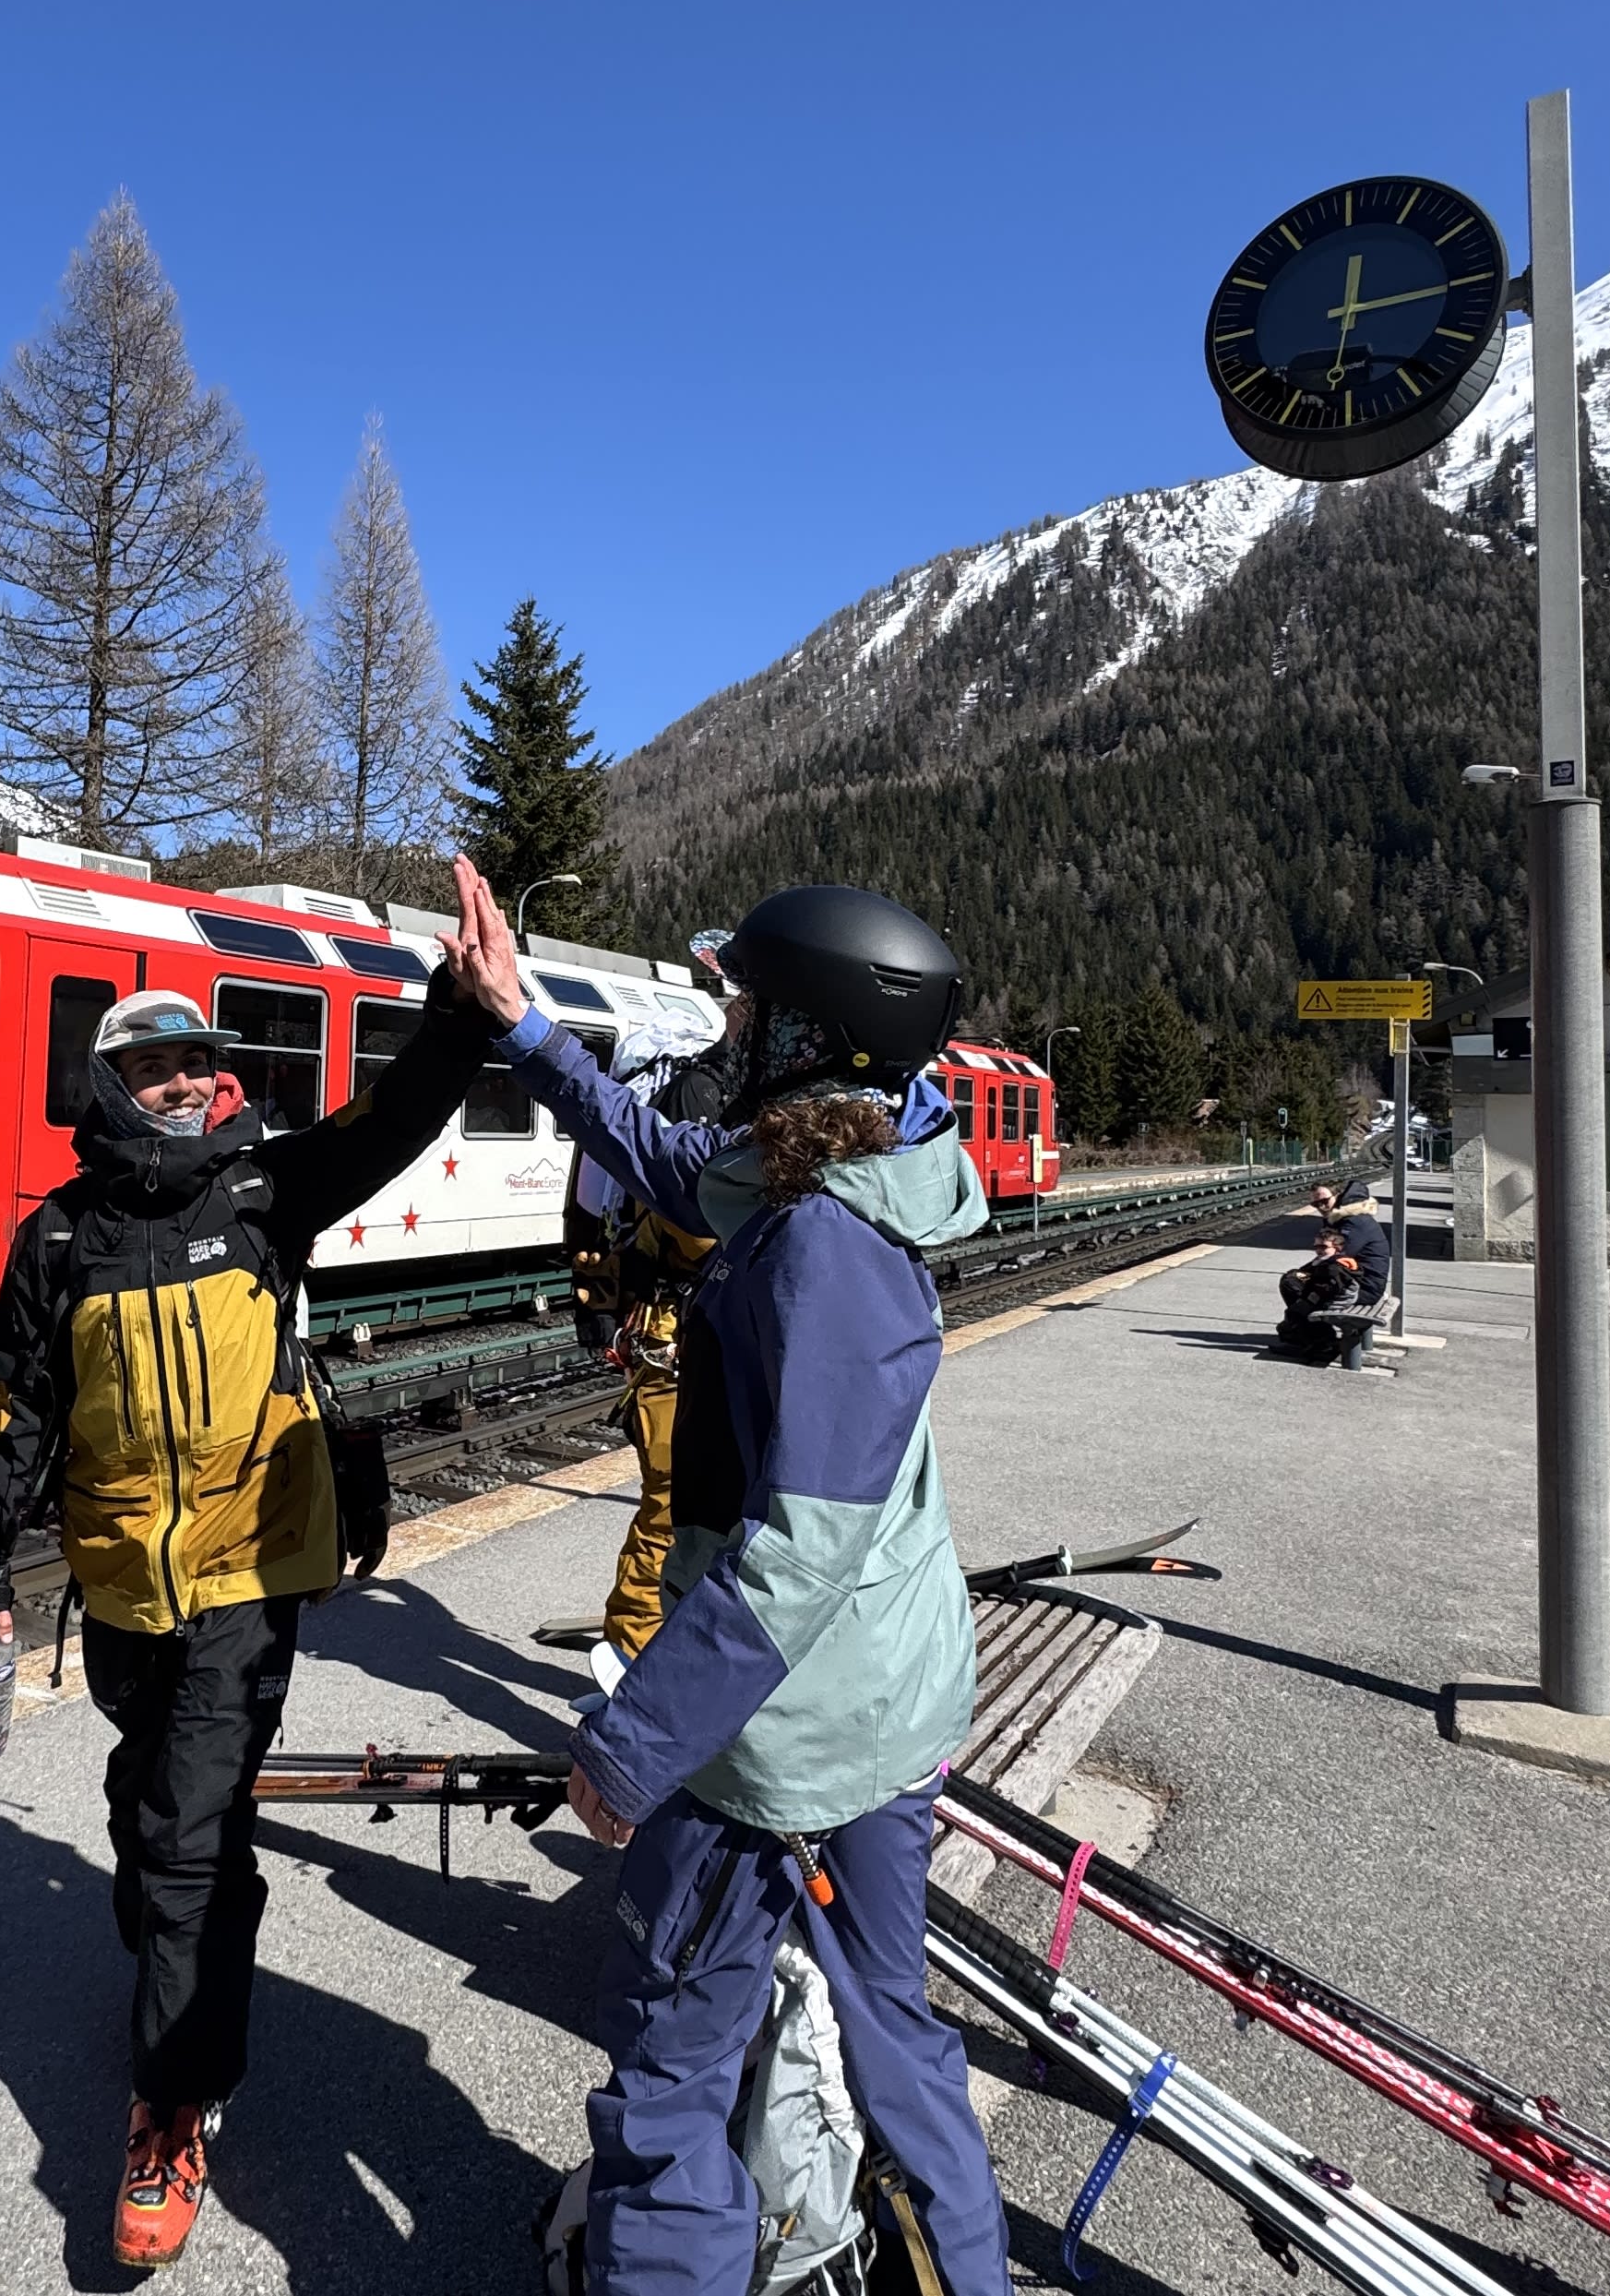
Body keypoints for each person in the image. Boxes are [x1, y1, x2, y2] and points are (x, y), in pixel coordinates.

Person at [441, 861, 1010, 2296]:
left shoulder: (831, 1247)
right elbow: (652, 1146)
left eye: (747, 1007)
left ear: (806, 1041)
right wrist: (522, 1027)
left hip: (789, 1736)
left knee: (673, 2054)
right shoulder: (813, 1169)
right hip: (875, 1704)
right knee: (893, 2030)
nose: (722, 1028)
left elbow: (795, 1554)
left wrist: (629, 1751)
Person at [0, 911, 503, 2274]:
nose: (186, 1081)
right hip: (124, 1573)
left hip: (253, 1564)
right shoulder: (59, 1239)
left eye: (200, 1060)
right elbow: (17, 1414)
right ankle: (173, 1919)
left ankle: (173, 2106)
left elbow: (395, 1117)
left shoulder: (267, 1191)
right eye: (156, 1066)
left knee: (192, 1833)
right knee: (149, 1793)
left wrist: (462, 1014)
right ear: (108, 1088)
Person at [564, 1010, 733, 1664]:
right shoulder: (696, 1108)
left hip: (677, 1336)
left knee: (689, 1508)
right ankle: (632, 1660)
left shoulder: (690, 1101)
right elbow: (700, 1233)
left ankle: (656, 1654)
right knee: (671, 1504)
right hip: (672, 1341)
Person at [1276, 1225, 1364, 1352]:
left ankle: (1315, 1342)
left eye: (1323, 1247)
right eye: (1316, 1246)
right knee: (1290, 1280)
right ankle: (1312, 1337)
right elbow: (1305, 1272)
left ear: (1337, 1248)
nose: (1319, 1250)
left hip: (1335, 1302)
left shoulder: (1334, 1267)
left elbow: (1329, 1290)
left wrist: (1306, 1302)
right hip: (1332, 1297)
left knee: (1297, 1310)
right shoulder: (1326, 1261)